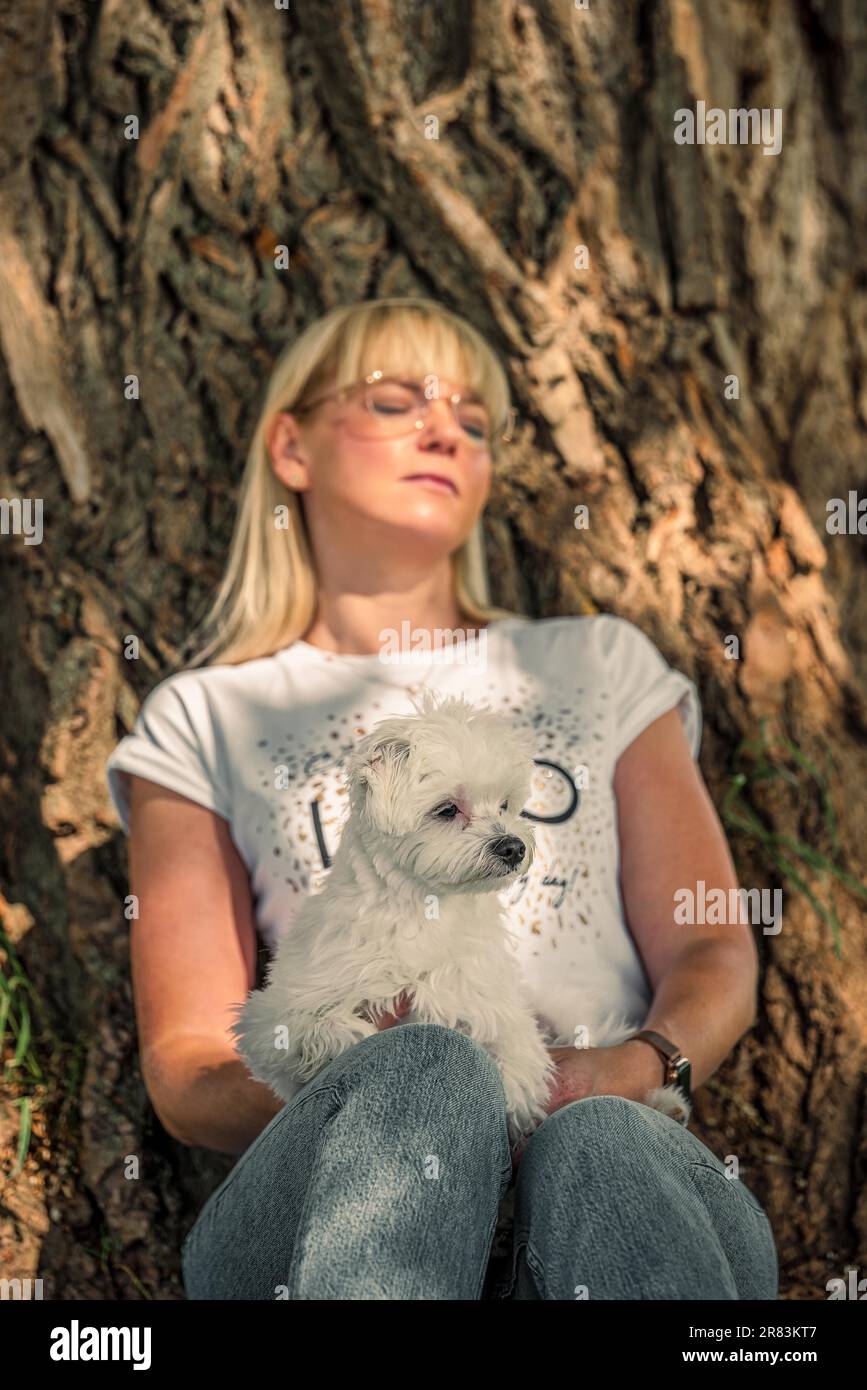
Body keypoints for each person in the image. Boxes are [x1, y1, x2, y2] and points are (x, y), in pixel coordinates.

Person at [105, 296, 779, 1300]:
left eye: (473, 421)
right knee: (428, 1072)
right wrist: (375, 1074)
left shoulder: (594, 660)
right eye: (393, 401)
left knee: (600, 1144)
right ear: (289, 445)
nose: (444, 433)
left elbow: (712, 945)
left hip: (616, 1165)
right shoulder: (205, 716)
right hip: (322, 1199)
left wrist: (633, 1068)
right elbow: (188, 1063)